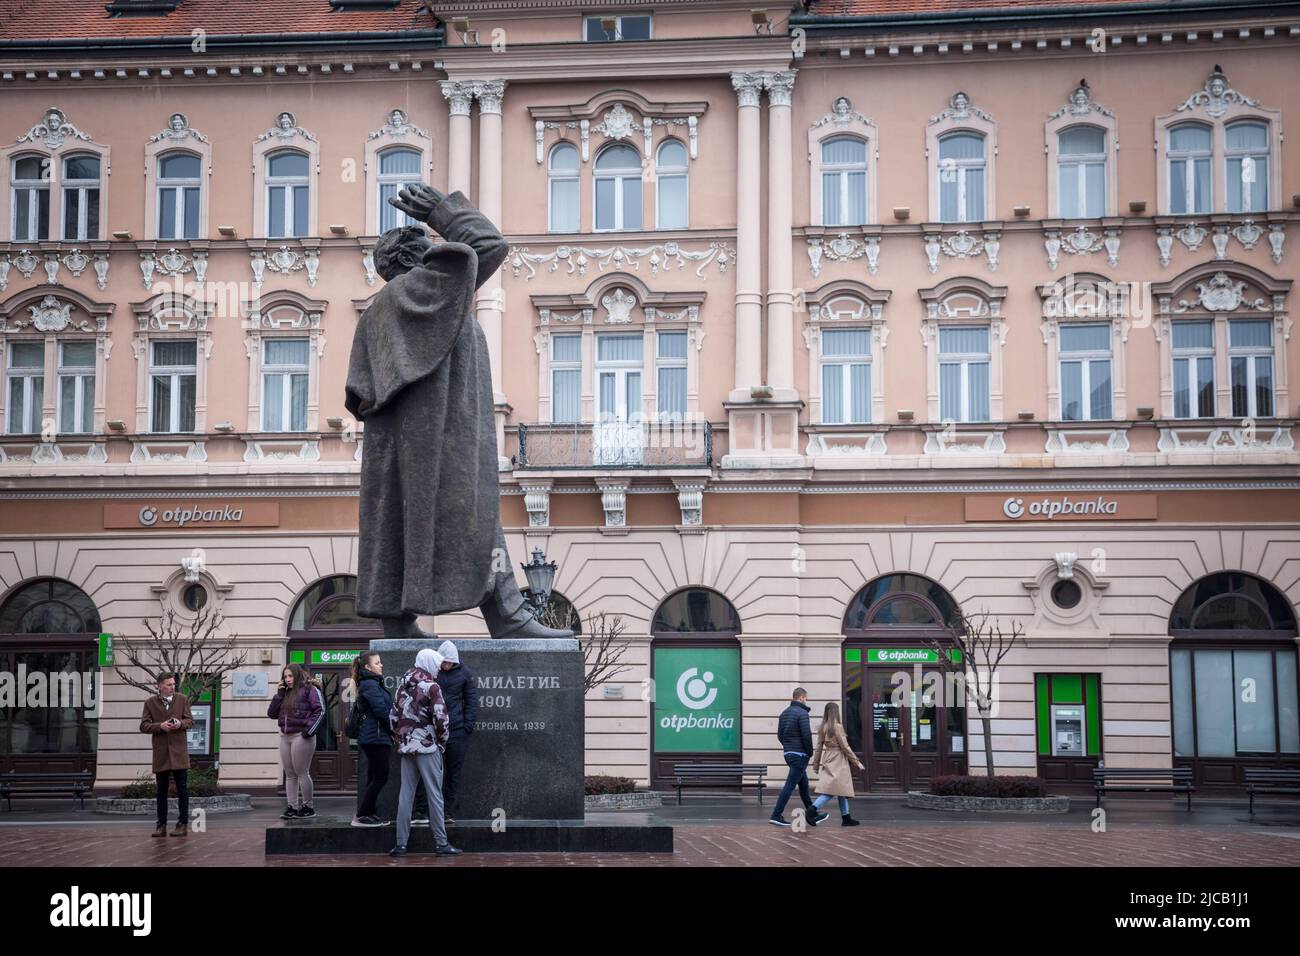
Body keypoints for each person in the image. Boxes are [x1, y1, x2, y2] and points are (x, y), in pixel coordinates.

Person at [344, 184, 573, 643]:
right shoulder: (432, 288)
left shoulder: (375, 314)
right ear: (417, 259)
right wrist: (442, 212)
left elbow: (360, 394)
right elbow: (489, 245)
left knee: (394, 521)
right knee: (478, 514)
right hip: (448, 438)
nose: (437, 252)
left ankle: (396, 620)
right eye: (429, 248)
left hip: (396, 451)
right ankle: (506, 613)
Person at [388, 648, 461, 857]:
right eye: (437, 666)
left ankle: (400, 844)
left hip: (406, 746)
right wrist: (441, 742)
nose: (439, 671)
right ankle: (441, 843)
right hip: (428, 747)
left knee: (406, 794)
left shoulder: (402, 686)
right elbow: (442, 719)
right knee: (435, 795)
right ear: (429, 664)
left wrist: (400, 740)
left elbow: (392, 717)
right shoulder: (432, 687)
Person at [139, 673, 194, 838]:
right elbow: (143, 726)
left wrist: (180, 723)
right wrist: (160, 726)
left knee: (182, 788)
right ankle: (161, 825)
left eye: (173, 684)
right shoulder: (150, 703)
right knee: (161, 790)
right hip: (161, 752)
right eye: (169, 684)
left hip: (179, 752)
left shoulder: (182, 699)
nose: (172, 687)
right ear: (160, 686)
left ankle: (182, 823)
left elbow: (190, 721)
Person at [267, 663, 324, 819]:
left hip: (301, 736)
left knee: (302, 772)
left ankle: (308, 807)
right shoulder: (284, 693)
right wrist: (279, 694)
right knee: (290, 774)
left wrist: (308, 731)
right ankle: (292, 807)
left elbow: (320, 710)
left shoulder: (310, 689)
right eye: (285, 677)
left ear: (298, 675)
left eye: (290, 676)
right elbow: (271, 713)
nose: (287, 679)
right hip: (285, 736)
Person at [769, 687, 829, 828]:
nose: (806, 700)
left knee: (803, 784)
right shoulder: (802, 713)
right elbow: (806, 735)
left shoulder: (784, 713)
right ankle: (776, 815)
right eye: (806, 698)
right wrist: (809, 752)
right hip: (799, 754)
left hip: (789, 754)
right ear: (801, 697)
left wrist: (788, 746)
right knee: (790, 785)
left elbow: (779, 735)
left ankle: (812, 813)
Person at [436, 639, 477, 823]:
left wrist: (467, 725)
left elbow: (471, 701)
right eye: (443, 662)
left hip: (456, 731)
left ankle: (447, 811)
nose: (445, 665)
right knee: (434, 773)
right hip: (435, 731)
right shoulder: (433, 672)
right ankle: (429, 810)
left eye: (448, 662)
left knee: (453, 773)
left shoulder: (465, 674)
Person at [351, 651, 394, 827]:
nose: (381, 665)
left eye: (380, 662)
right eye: (377, 663)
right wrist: (392, 730)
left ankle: (369, 812)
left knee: (374, 777)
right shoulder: (369, 684)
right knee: (381, 777)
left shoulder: (372, 682)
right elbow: (381, 711)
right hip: (375, 737)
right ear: (368, 667)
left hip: (375, 736)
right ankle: (361, 815)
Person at [811, 702, 865, 826]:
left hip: (828, 758)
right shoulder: (837, 727)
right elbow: (845, 747)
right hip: (838, 760)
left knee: (841, 789)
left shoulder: (823, 727)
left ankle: (846, 817)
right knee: (832, 790)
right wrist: (857, 762)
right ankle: (811, 810)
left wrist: (815, 764)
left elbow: (819, 747)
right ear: (836, 712)